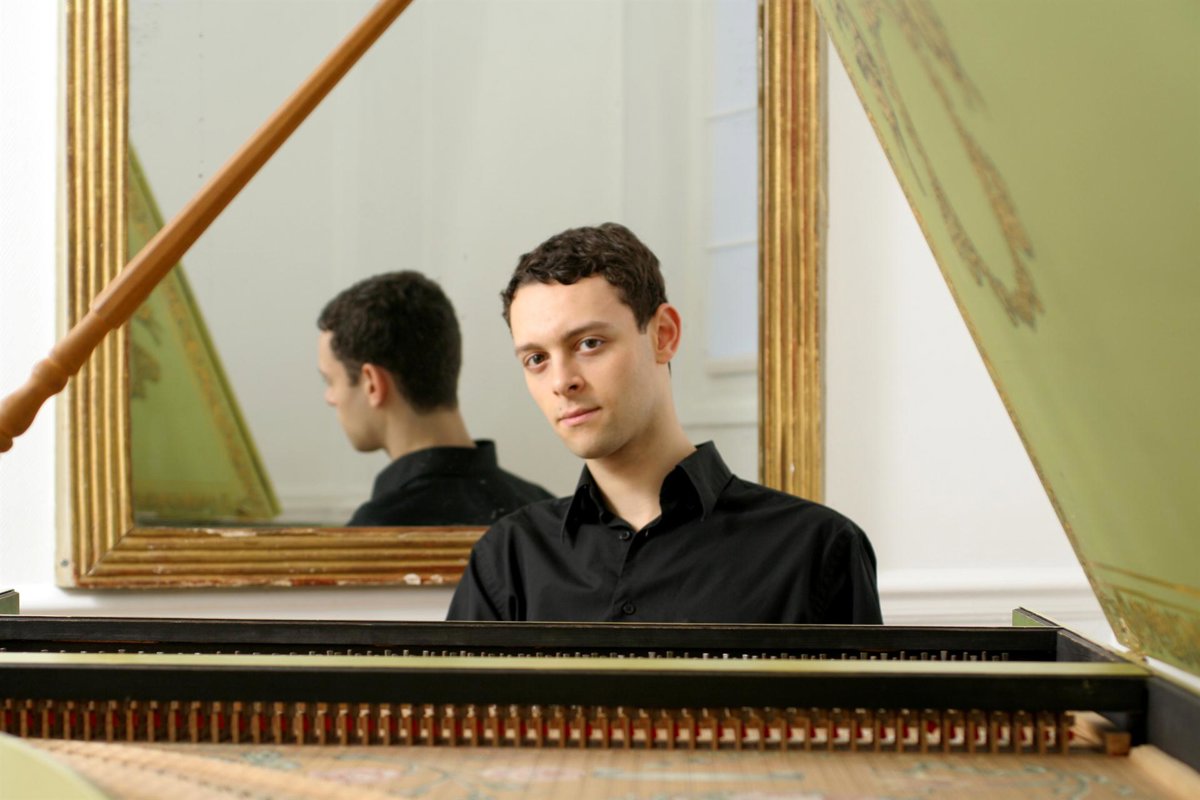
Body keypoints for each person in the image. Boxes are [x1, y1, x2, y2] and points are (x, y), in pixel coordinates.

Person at [447, 223, 882, 623]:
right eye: (536, 359)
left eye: (589, 343)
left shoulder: (818, 550)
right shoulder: (507, 558)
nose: (562, 382)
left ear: (664, 335)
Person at [317, 271, 553, 526]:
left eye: (330, 381)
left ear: (372, 383)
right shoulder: (544, 509)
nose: (330, 398)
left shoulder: (375, 530)